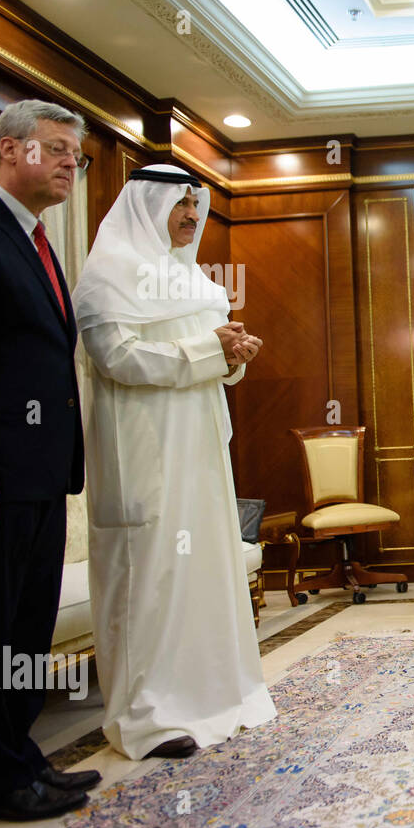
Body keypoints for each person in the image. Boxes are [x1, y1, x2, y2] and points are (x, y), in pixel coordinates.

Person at [72, 164, 275, 760]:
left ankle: (212, 697)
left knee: (203, 574)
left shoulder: (201, 285)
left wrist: (234, 354)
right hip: (143, 457)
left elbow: (214, 361)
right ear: (144, 205)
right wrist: (209, 349)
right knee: (151, 580)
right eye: (179, 203)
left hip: (201, 454)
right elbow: (117, 358)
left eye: (196, 203)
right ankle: (147, 717)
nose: (191, 214)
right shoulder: (107, 275)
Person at [0, 99, 102, 820]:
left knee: (25, 631)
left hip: (42, 475)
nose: (69, 165)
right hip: (1, 475)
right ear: (10, 149)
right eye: (56, 150)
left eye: (76, 156)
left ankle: (19, 757)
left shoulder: (34, 238)